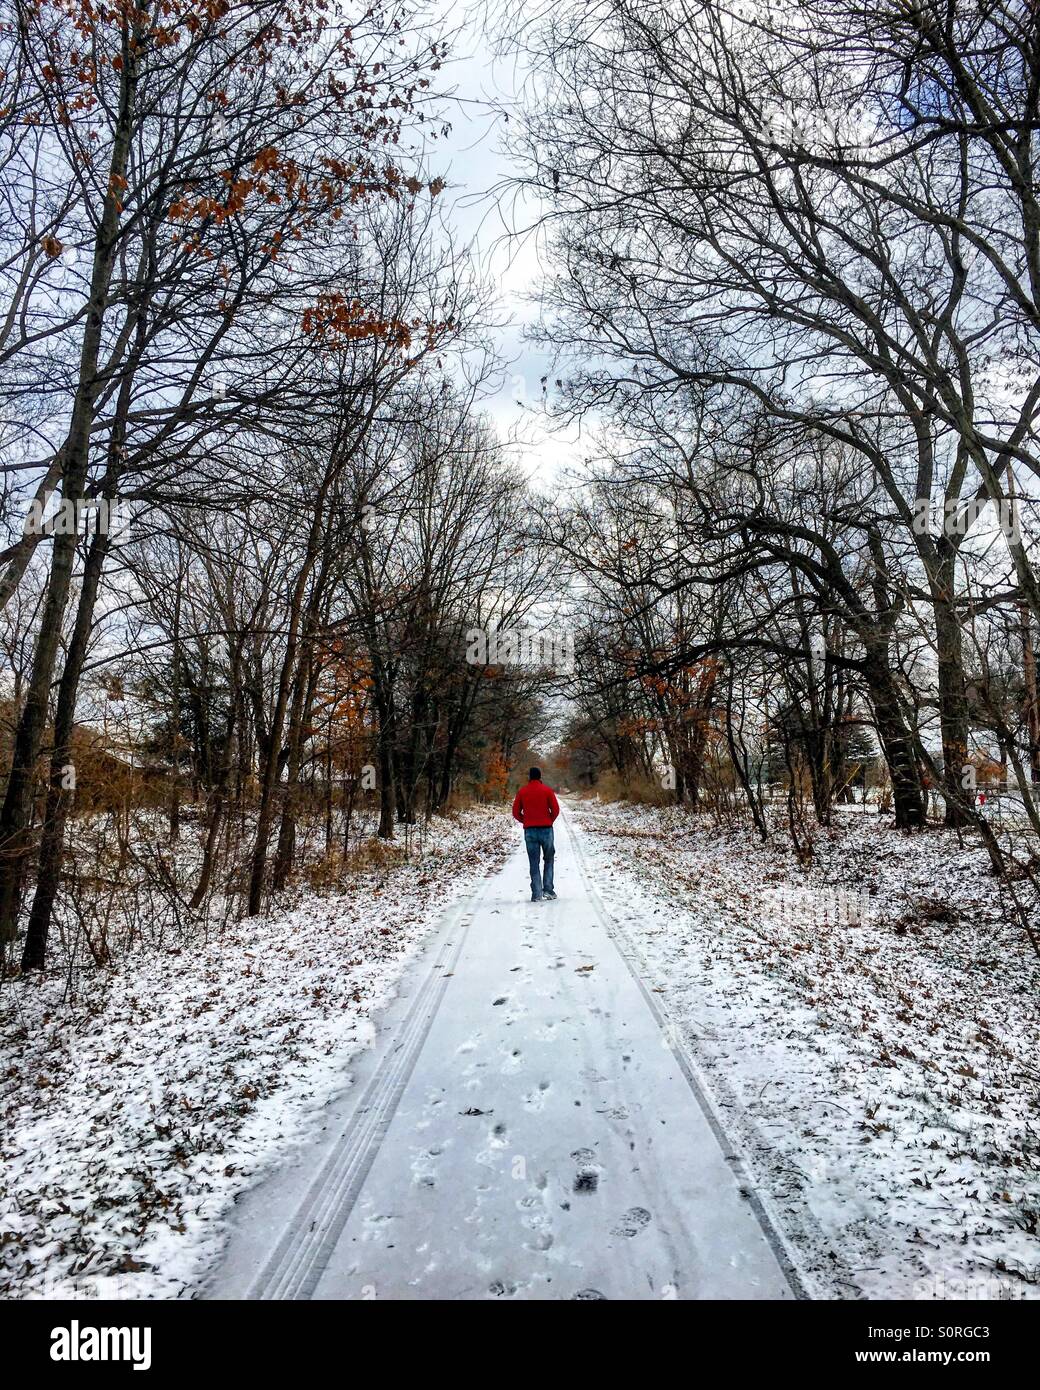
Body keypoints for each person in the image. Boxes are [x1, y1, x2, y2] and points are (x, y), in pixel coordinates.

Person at [511, 767, 560, 902]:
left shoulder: (522, 792)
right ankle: (548, 890)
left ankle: (537, 893)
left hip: (530, 831)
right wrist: (549, 820)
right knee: (549, 859)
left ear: (529, 777)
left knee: (534, 861)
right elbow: (555, 809)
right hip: (546, 830)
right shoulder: (547, 791)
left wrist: (525, 820)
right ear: (540, 777)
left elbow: (515, 812)